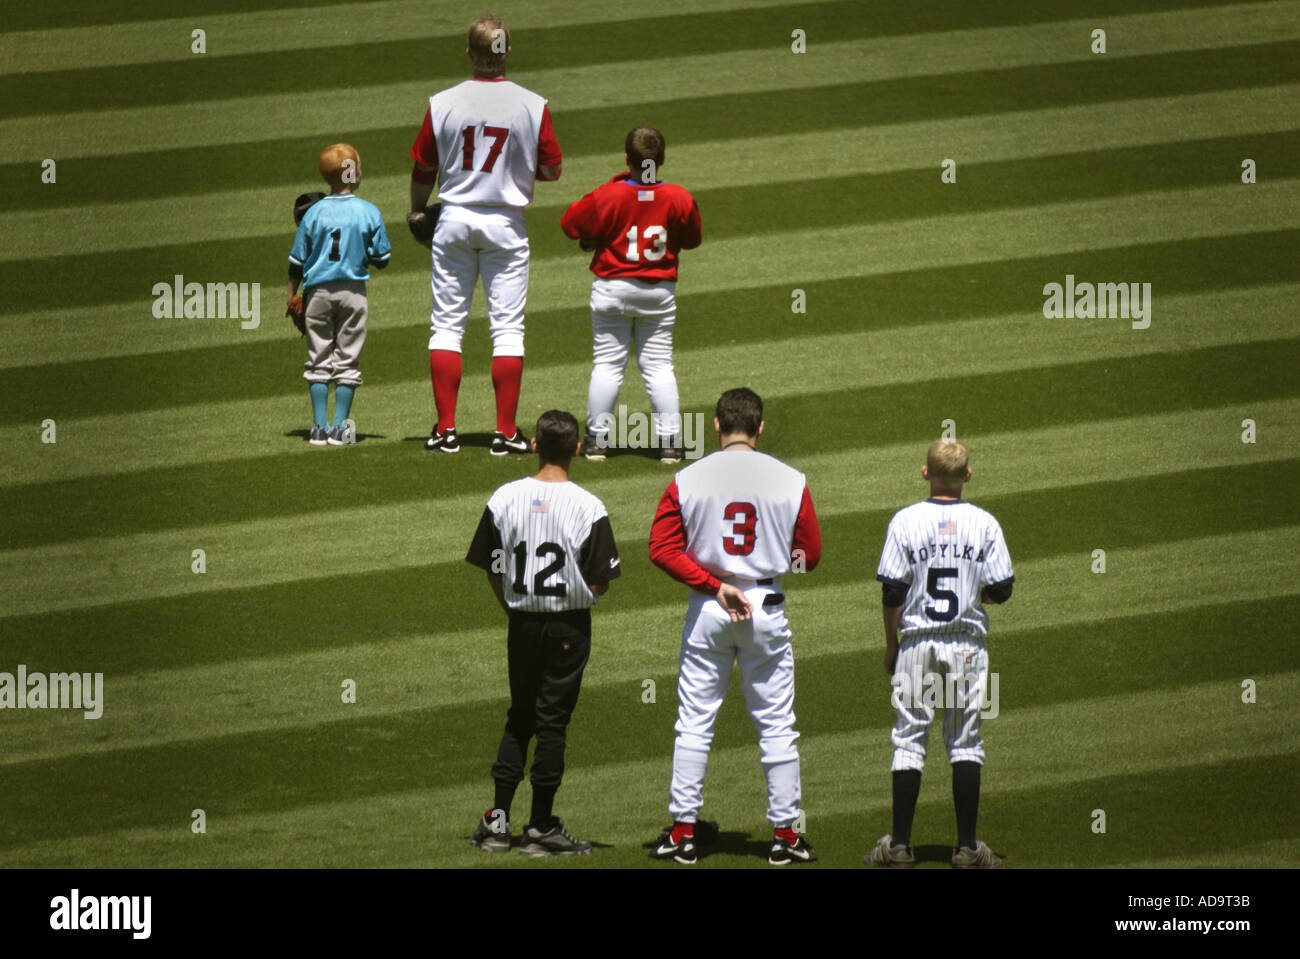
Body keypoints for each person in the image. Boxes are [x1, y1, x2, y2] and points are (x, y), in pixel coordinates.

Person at [647, 388, 821, 865]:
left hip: (709, 606)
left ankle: (682, 832)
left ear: (718, 426)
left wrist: (714, 580)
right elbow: (811, 556)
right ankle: (786, 837)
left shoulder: (687, 478)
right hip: (766, 606)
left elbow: (661, 548)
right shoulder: (790, 479)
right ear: (760, 428)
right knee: (777, 725)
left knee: (695, 723)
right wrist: (765, 560)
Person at [464, 410, 620, 856]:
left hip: (522, 623)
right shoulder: (589, 505)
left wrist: (511, 605)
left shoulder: (504, 497)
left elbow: (492, 566)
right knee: (553, 722)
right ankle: (540, 827)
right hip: (569, 626)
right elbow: (601, 579)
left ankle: (496, 823)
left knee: (520, 716)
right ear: (575, 449)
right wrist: (580, 595)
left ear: (534, 444)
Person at [408, 14, 562, 456]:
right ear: (507, 52)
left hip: (454, 219)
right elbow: (552, 168)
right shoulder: (532, 104)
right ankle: (505, 432)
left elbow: (424, 167)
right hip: (506, 223)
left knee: (446, 326)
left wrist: (418, 209)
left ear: (470, 53)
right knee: (508, 329)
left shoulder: (443, 102)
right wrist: (513, 167)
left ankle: (445, 430)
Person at [864, 438, 1014, 869]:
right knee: (965, 743)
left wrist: (892, 646)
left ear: (926, 473)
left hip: (916, 645)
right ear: (967, 476)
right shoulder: (984, 523)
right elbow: (1002, 588)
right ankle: (967, 849)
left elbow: (893, 590)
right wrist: (975, 592)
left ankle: (898, 847)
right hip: (966, 647)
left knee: (909, 741)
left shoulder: (905, 521)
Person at [559, 126, 701, 464]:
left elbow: (569, 224)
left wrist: (601, 232)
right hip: (658, 293)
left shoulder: (607, 195)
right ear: (661, 160)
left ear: (627, 159)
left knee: (608, 365)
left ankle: (597, 442)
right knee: (659, 367)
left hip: (612, 290)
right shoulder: (679, 197)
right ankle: (671, 444)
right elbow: (692, 238)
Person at [287, 143, 390, 446]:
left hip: (317, 293)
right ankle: (340, 430)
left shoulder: (314, 213)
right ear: (354, 174)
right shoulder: (369, 211)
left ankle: (319, 429)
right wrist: (362, 251)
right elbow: (382, 258)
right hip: (352, 294)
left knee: (318, 359)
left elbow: (296, 262)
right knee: (347, 359)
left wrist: (291, 295)